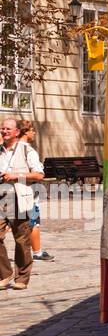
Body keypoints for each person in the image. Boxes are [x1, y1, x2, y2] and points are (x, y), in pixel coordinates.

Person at [0, 118, 43, 290]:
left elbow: (39, 175)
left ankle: (22, 278)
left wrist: (16, 176)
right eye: (2, 128)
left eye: (8, 128)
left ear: (17, 132)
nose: (4, 131)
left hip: (20, 198)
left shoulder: (27, 151)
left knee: (21, 240)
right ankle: (5, 273)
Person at [19, 122, 50, 262]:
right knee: (33, 222)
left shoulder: (8, 149)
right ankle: (37, 253)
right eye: (32, 130)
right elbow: (38, 174)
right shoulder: (28, 151)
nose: (34, 133)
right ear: (26, 132)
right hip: (28, 192)